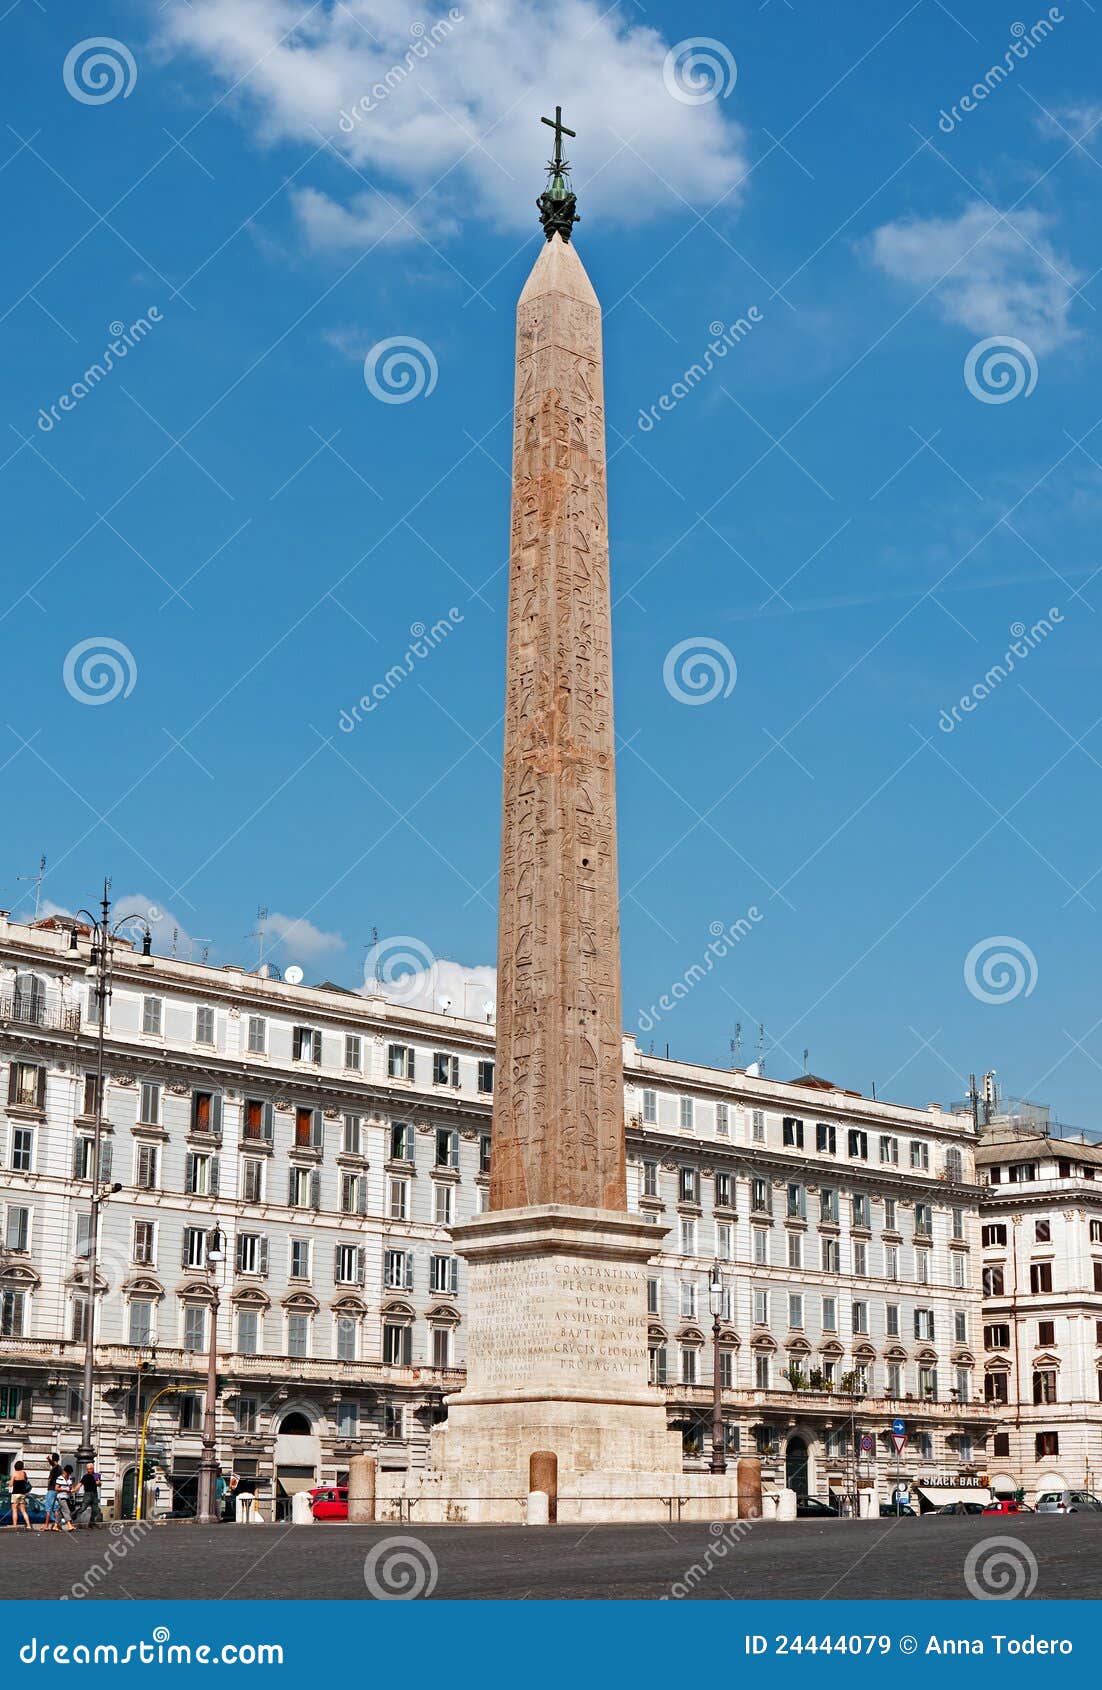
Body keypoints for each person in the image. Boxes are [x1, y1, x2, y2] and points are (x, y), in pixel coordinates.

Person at [75, 1462, 103, 1528]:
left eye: (90, 1469)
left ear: (93, 1469)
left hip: (94, 1493)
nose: (88, 1470)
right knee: (83, 1508)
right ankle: (73, 1516)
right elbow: (80, 1483)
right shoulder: (85, 1476)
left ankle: (91, 1523)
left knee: (95, 1510)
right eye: (87, 1469)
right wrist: (75, 1489)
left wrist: (98, 1483)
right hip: (87, 1494)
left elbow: (99, 1483)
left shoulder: (96, 1475)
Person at [42, 1453, 63, 1532]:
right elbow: (53, 1463)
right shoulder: (60, 1468)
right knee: (55, 1509)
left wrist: (48, 1459)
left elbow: (53, 1463)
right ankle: (56, 1525)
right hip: (56, 1490)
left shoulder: (55, 1467)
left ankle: (46, 1525)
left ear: (53, 1459)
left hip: (51, 1489)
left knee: (48, 1508)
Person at [9, 1461, 32, 1531]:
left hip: (15, 1494)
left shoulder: (14, 1474)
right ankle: (28, 1525)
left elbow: (11, 1484)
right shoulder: (24, 1473)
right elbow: (25, 1481)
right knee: (23, 1511)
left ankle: (15, 1525)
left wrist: (9, 1482)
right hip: (22, 1494)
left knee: (15, 1510)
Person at [54, 1466, 76, 1531]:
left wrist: (72, 1489)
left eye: (69, 1473)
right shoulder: (60, 1478)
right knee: (66, 1511)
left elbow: (71, 1487)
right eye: (68, 1473)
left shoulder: (69, 1478)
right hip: (61, 1497)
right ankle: (69, 1525)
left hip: (67, 1497)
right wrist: (64, 1489)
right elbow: (56, 1488)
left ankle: (55, 1526)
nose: (68, 1474)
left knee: (60, 1513)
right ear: (64, 1471)